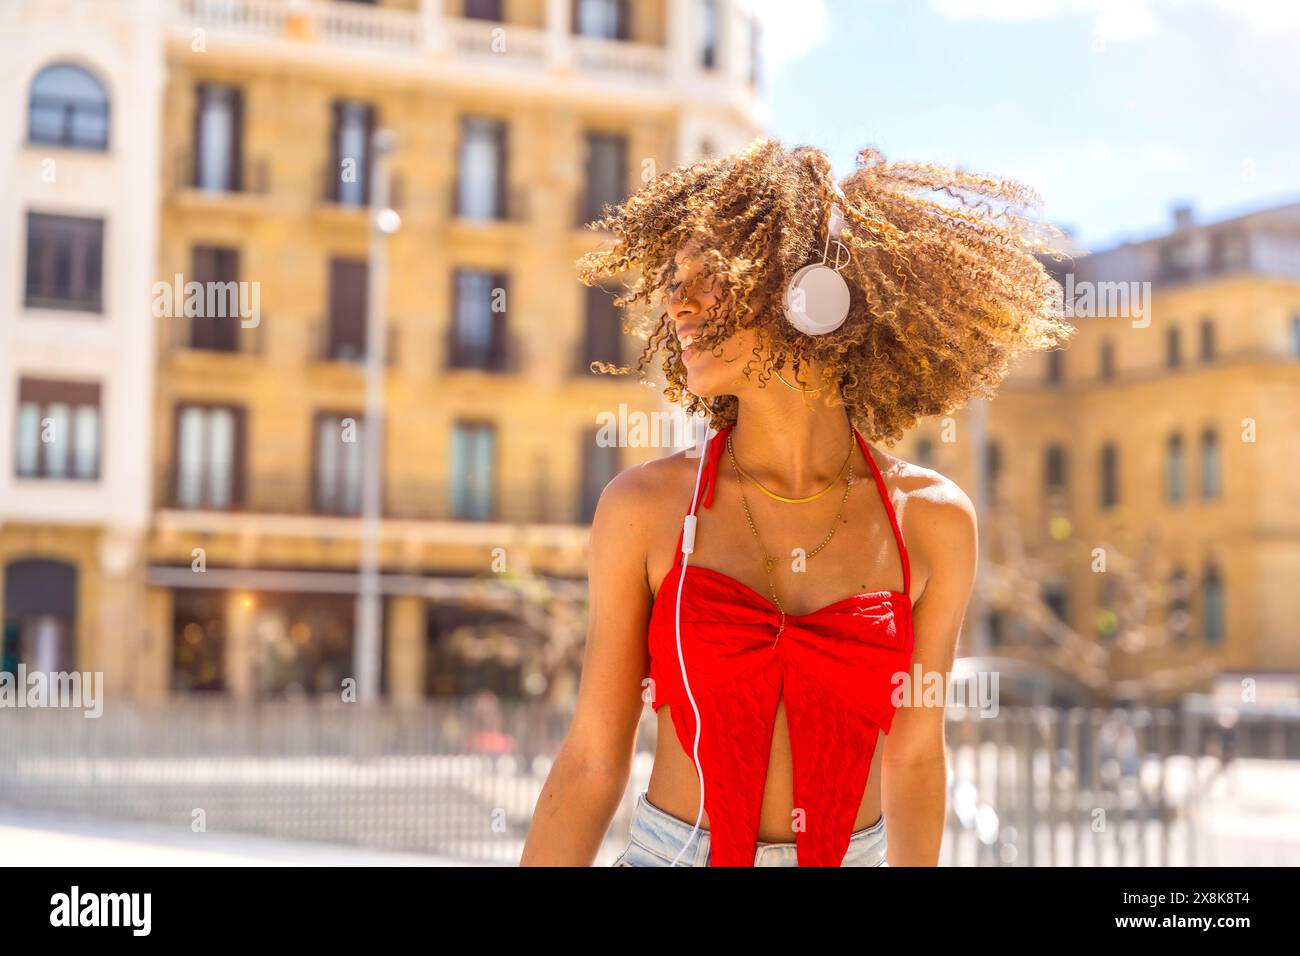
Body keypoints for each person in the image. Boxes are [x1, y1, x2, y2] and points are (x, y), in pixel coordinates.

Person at [519, 138, 1072, 866]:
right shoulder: (644, 508)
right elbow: (594, 758)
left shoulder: (933, 521)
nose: (679, 305)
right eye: (675, 282)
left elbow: (914, 758)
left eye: (709, 278)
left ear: (806, 291)